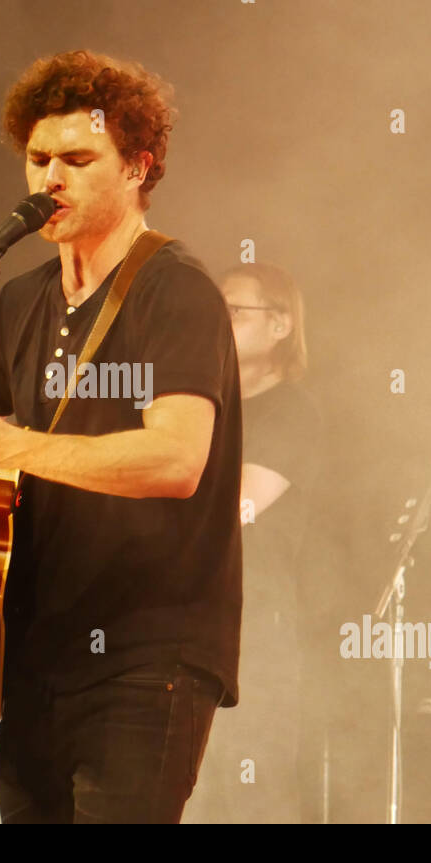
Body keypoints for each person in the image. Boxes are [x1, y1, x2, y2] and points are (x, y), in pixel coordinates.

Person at [0, 50, 243, 823]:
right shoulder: (18, 301)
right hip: (33, 651)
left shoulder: (176, 290)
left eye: (78, 159)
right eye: (38, 159)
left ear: (138, 167)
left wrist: (5, 448)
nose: (51, 177)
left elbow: (176, 459)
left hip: (148, 657)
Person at [182, 263, 320, 823]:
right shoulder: (200, 409)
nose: (218, 323)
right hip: (187, 630)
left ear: (281, 325)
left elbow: (237, 506)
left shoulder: (292, 410)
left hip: (254, 634)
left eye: (235, 312)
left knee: (252, 798)